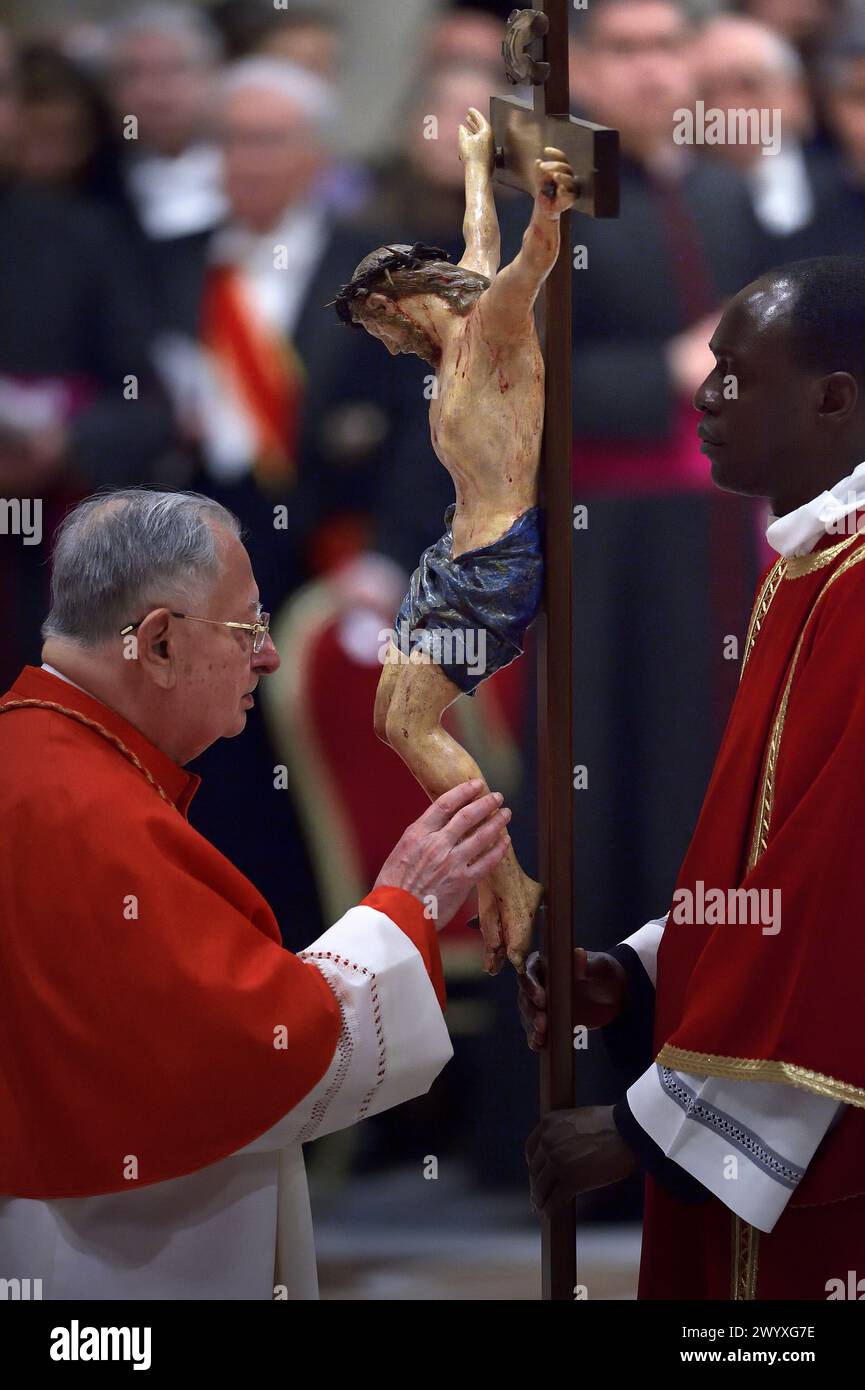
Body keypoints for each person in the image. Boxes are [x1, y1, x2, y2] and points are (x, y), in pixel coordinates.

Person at [0, 488, 512, 1300]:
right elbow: (253, 1058)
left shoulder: (44, 757)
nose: (268, 656)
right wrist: (401, 905)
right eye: (247, 629)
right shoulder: (89, 813)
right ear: (158, 642)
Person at [519, 256, 865, 1301]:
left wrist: (642, 1123)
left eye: (735, 373)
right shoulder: (807, 569)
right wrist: (643, 969)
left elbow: (836, 892)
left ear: (833, 398)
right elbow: (765, 850)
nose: (704, 396)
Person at [333, 110, 577, 975]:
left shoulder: (496, 328)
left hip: (495, 563)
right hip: (454, 557)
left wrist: (549, 206)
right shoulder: (456, 328)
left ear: (400, 300)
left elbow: (528, 261)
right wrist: (479, 163)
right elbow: (481, 236)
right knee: (392, 718)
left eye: (381, 326)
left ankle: (504, 880)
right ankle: (502, 879)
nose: (389, 345)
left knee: (404, 718)